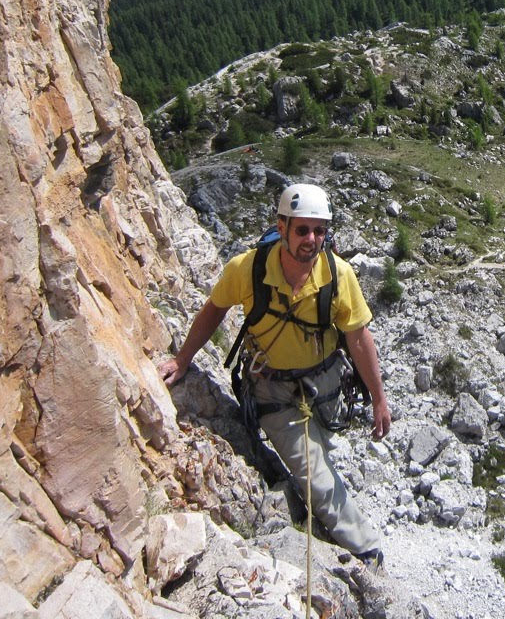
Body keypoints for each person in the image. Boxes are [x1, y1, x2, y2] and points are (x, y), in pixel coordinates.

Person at [159, 182, 390, 568]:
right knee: (314, 473)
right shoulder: (248, 269)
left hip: (325, 384)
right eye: (303, 230)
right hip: (274, 391)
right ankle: (367, 549)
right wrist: (183, 359)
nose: (312, 240)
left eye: (320, 231)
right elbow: (213, 311)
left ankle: (322, 498)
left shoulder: (338, 275)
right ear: (282, 227)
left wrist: (379, 398)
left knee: (323, 452)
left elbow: (359, 338)